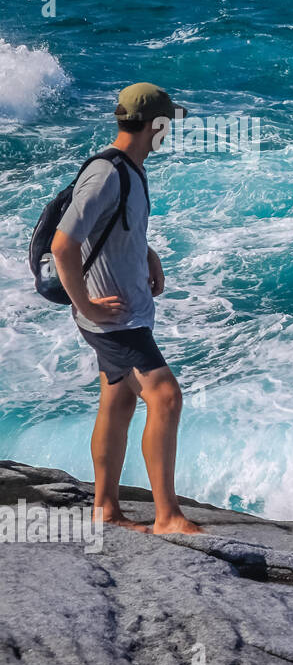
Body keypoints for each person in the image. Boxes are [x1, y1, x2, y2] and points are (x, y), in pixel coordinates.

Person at [51, 82, 202, 535]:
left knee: (117, 402)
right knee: (166, 397)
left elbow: (110, 227)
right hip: (114, 318)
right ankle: (168, 516)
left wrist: (147, 253)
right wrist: (88, 308)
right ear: (153, 125)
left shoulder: (130, 170)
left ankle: (105, 509)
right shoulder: (107, 173)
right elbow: (64, 245)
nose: (168, 133)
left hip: (120, 313)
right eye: (167, 125)